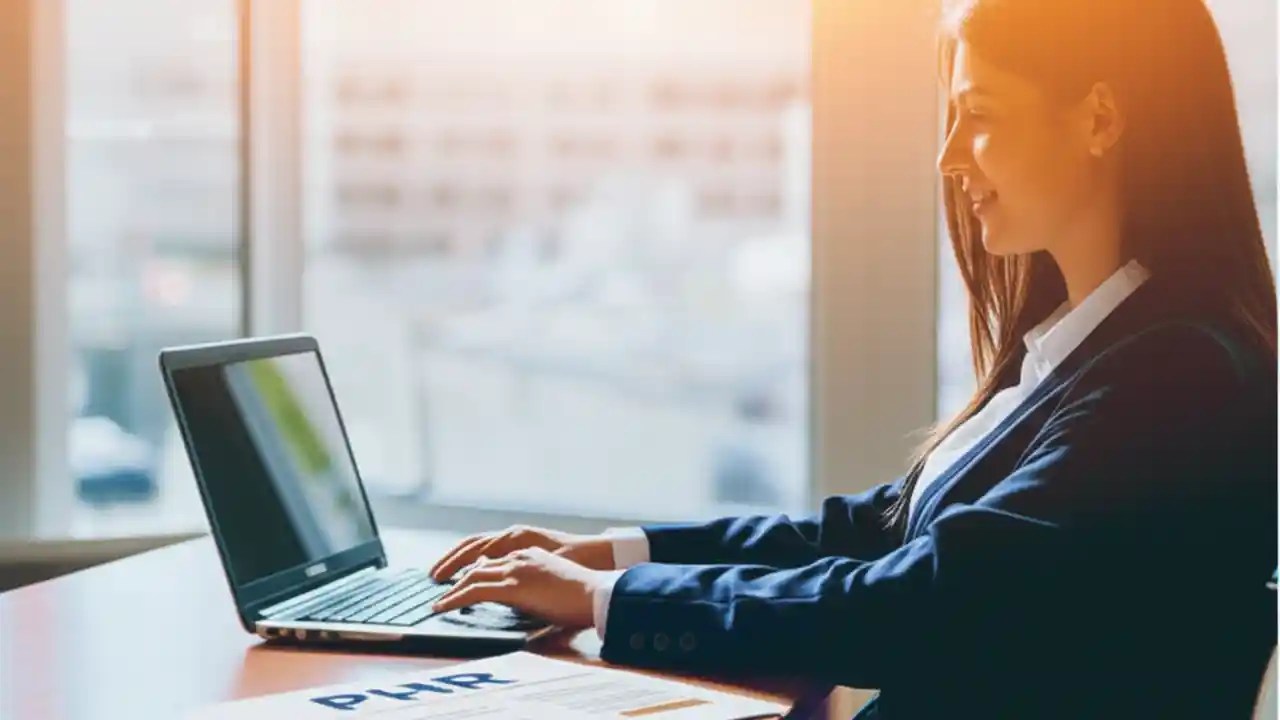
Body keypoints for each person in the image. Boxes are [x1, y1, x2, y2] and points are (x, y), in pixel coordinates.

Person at [427, 0, 1278, 716]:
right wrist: (612, 557)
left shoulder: (1177, 375)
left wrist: (603, 601)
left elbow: (922, 598)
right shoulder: (1096, 347)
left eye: (980, 115)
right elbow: (881, 530)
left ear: (1099, 119)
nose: (949, 156)